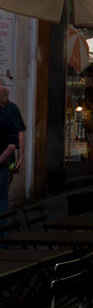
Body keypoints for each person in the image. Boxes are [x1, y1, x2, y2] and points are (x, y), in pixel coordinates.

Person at [0, 83, 25, 216]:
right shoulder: (11, 109)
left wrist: (21, 157)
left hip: (8, 159)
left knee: (4, 190)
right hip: (7, 157)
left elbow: (19, 133)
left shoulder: (12, 109)